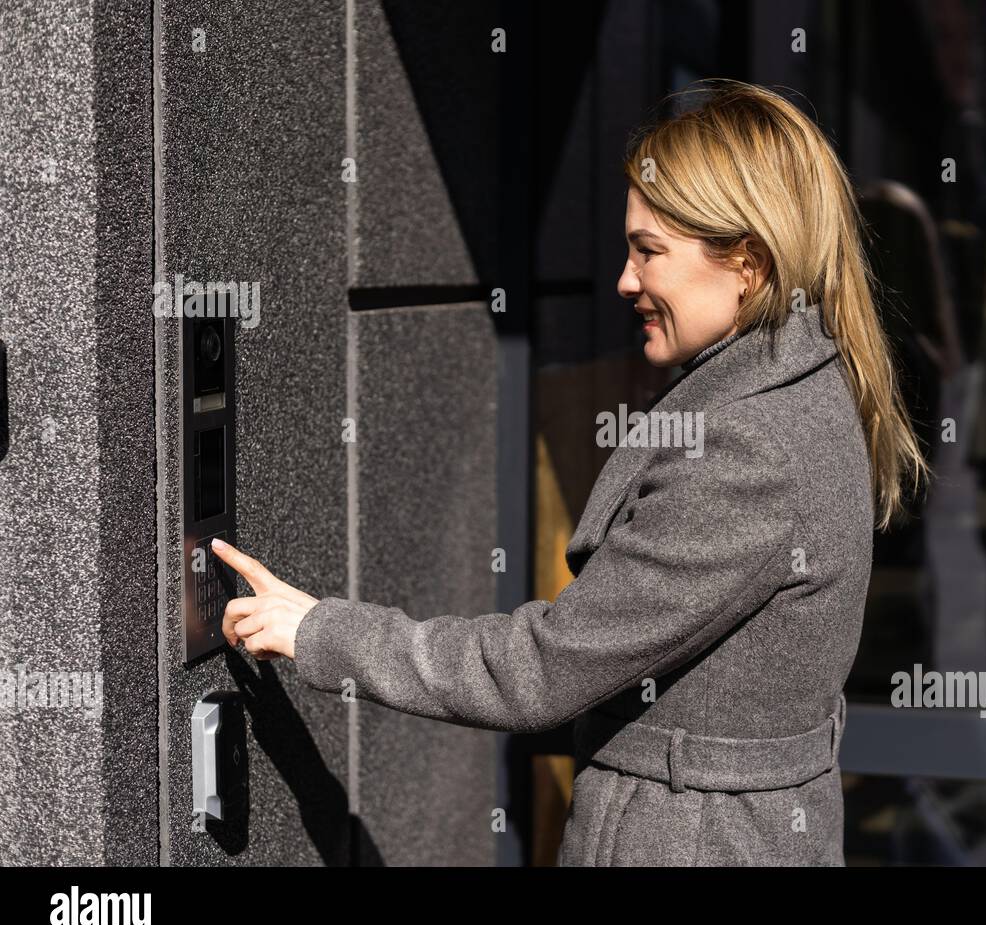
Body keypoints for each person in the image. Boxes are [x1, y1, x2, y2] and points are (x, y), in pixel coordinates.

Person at [213, 78, 928, 866]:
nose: (626, 280)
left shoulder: (745, 452)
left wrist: (320, 632)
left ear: (748, 263)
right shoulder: (805, 387)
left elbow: (541, 672)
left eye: (649, 251)